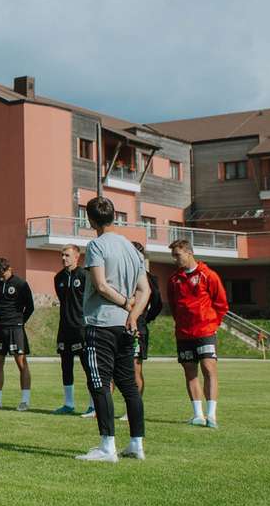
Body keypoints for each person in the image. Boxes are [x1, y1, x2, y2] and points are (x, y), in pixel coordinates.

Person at [78, 196, 149, 462]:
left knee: (99, 384)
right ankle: (136, 445)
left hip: (100, 324)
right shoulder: (131, 248)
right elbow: (146, 289)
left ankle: (107, 447)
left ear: (91, 219)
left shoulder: (96, 245)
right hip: (124, 327)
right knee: (129, 386)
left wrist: (125, 302)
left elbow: (101, 286)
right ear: (114, 216)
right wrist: (133, 314)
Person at [167, 239, 227, 428]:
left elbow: (221, 304)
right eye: (173, 256)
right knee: (190, 373)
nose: (175, 259)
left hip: (205, 331)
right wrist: (181, 325)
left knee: (209, 369)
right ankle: (198, 415)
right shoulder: (174, 279)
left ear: (189, 253)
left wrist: (212, 324)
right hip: (184, 334)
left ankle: (212, 416)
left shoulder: (208, 275)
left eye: (178, 255)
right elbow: (174, 306)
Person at [0, 257, 35, 411]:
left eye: (3, 274)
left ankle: (25, 401)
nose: (0, 277)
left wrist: (20, 322)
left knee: (21, 363)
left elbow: (30, 307)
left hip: (16, 328)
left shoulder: (21, 284)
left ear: (9, 269)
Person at [53, 245, 90, 415]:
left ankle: (93, 405)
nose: (63, 258)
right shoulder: (58, 278)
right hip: (64, 328)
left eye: (67, 255)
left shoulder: (84, 275)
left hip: (81, 328)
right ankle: (68, 404)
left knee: (87, 366)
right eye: (62, 255)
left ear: (77, 257)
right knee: (65, 366)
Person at [130, 241, 163, 404]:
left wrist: (144, 318)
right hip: (118, 325)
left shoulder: (149, 279)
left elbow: (157, 304)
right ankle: (99, 408)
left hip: (138, 328)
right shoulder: (121, 274)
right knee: (113, 369)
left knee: (135, 369)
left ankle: (134, 408)